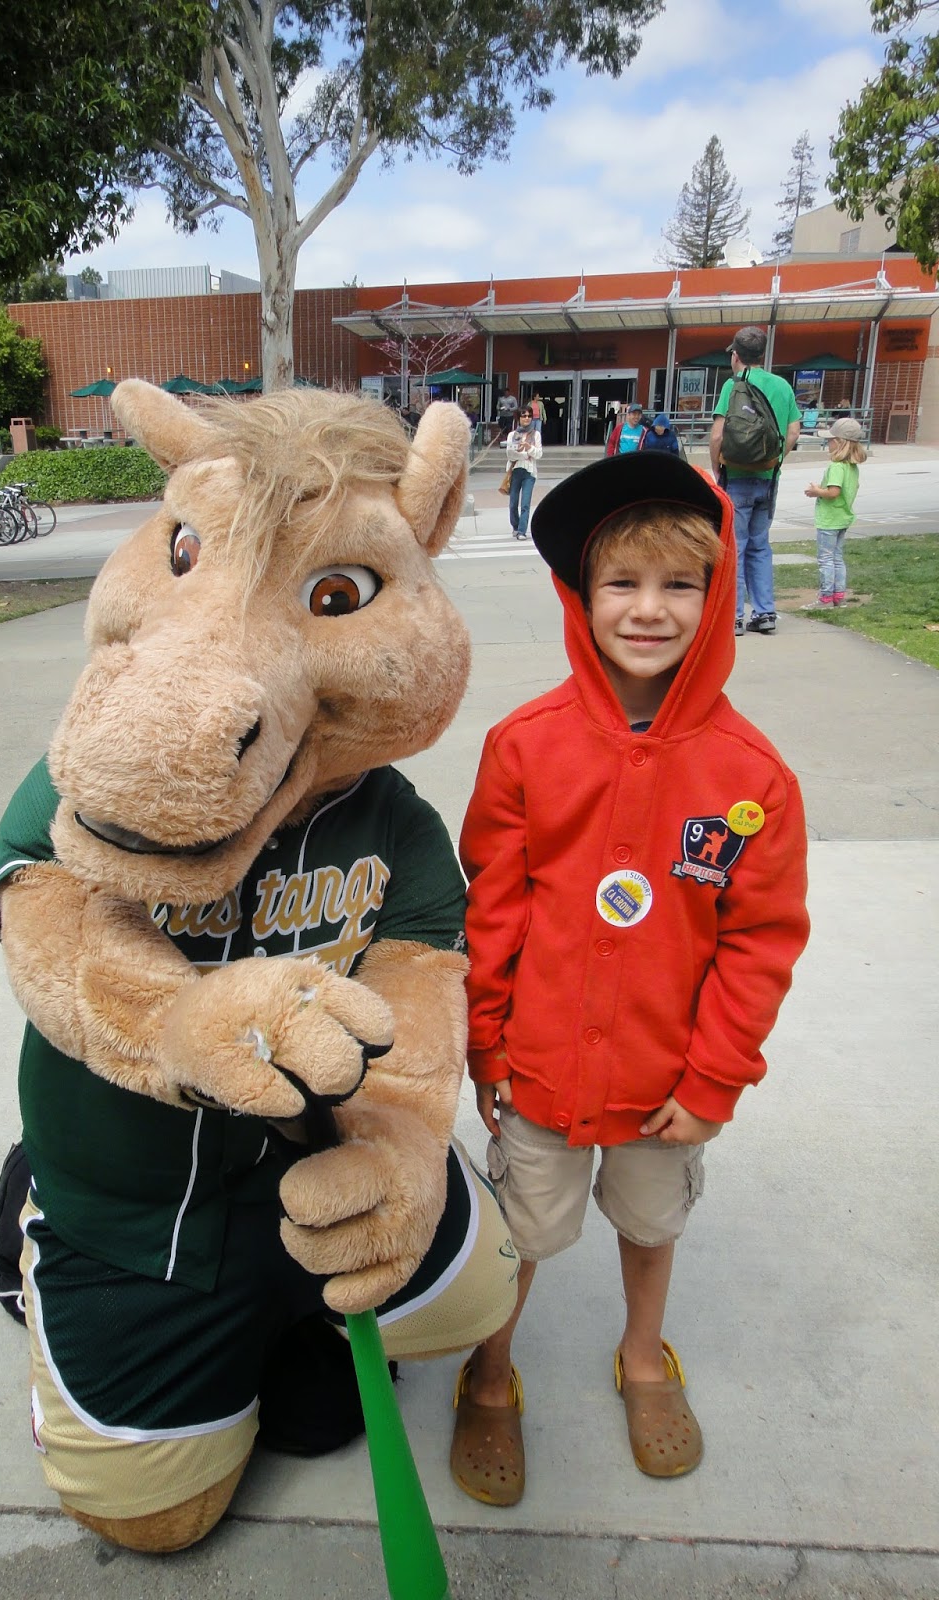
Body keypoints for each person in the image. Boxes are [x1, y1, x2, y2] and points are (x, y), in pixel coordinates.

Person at [448, 451, 809, 1507]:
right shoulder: (524, 748)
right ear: (580, 594)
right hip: (542, 1072)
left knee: (653, 1226)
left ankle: (644, 1356)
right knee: (527, 1232)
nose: (649, 610)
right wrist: (489, 1052)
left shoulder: (753, 779)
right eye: (623, 583)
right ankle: (492, 1366)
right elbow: (491, 913)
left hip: (666, 1084)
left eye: (679, 585)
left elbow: (762, 940)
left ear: (717, 593)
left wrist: (713, 1081)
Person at [710, 326, 802, 638]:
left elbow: (718, 435)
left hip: (736, 478)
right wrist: (775, 460)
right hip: (767, 477)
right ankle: (764, 613)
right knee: (760, 545)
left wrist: (716, 471)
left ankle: (734, 616)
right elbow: (793, 431)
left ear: (736, 354)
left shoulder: (732, 387)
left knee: (734, 547)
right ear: (761, 354)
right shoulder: (782, 386)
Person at [804, 417, 866, 608]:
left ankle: (825, 598)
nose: (828, 443)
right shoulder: (852, 467)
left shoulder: (837, 467)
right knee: (837, 558)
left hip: (829, 520)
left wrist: (816, 492)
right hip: (842, 518)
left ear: (840, 442)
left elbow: (833, 492)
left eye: (830, 440)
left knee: (826, 559)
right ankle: (838, 595)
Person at [505, 407, 542, 538]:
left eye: (529, 416)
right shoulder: (513, 435)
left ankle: (522, 531)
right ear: (519, 418)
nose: (527, 418)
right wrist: (524, 455)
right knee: (513, 503)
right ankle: (515, 526)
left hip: (529, 473)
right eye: (524, 416)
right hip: (515, 471)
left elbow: (539, 454)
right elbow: (510, 454)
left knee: (525, 503)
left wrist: (528, 448)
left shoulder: (535, 434)